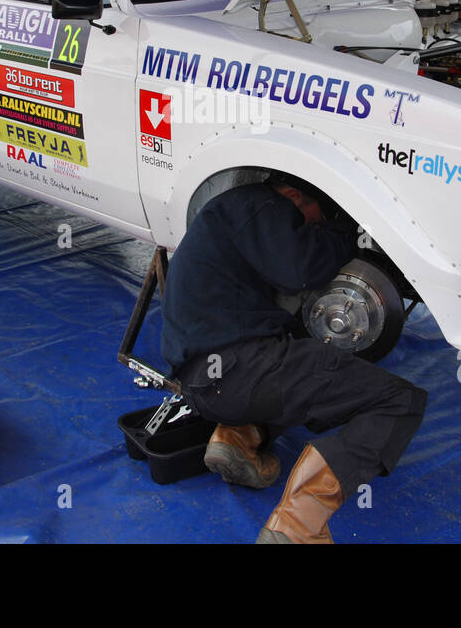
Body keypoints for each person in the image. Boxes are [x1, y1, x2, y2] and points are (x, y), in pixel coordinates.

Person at [160, 174, 427, 543]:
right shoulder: (261, 204)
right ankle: (297, 525)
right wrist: (345, 230)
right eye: (313, 222)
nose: (312, 229)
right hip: (240, 369)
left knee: (300, 372)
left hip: (202, 384)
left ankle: (237, 437)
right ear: (293, 194)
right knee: (400, 401)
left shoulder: (228, 213)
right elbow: (302, 271)